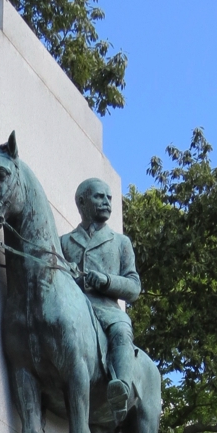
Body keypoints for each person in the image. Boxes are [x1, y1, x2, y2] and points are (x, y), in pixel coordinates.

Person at [60, 178, 141, 416]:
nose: (106, 202)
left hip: (106, 310)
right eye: (99, 197)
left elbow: (134, 287)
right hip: (74, 309)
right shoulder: (64, 242)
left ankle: (121, 387)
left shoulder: (120, 242)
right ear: (82, 202)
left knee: (121, 329)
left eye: (109, 198)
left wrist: (106, 281)